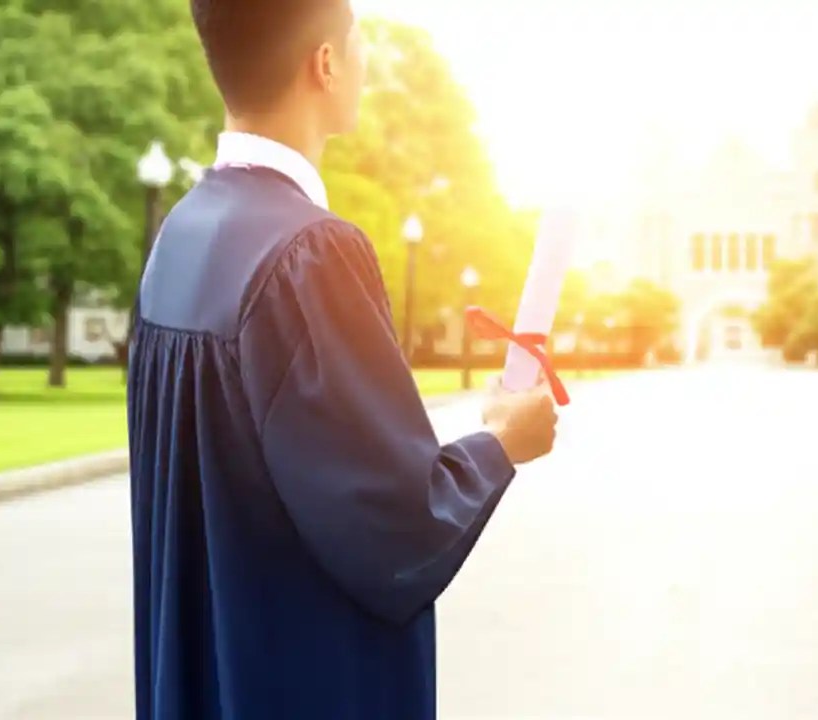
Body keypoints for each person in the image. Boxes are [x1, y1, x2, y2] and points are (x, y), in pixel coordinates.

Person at [126, 1, 559, 717]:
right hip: (294, 681)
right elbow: (394, 520)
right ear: (324, 63)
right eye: (356, 41)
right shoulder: (308, 253)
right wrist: (503, 443)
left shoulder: (179, 238)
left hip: (204, 677)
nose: (363, 61)